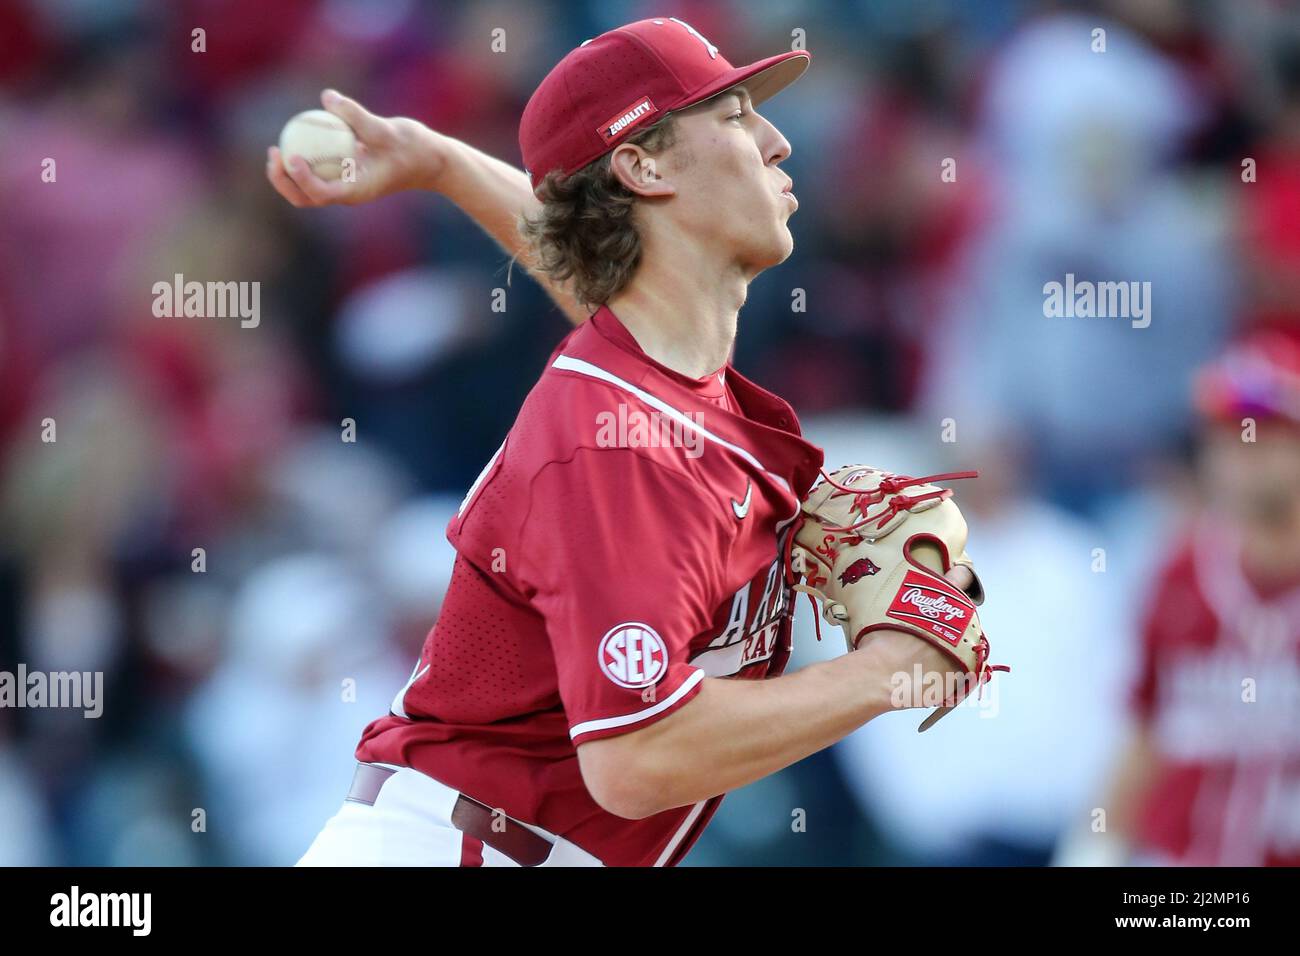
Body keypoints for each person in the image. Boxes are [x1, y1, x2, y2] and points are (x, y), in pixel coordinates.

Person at [273, 17, 976, 868]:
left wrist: (442, 164)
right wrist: (882, 672)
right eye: (735, 115)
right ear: (643, 166)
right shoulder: (617, 443)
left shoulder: (665, 388)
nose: (779, 142)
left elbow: (611, 271)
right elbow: (636, 761)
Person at [1055, 331, 1300, 866]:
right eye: (1225, 435)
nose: (1243, 452)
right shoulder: (1179, 571)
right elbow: (1143, 731)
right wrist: (1091, 852)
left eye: (1264, 432)